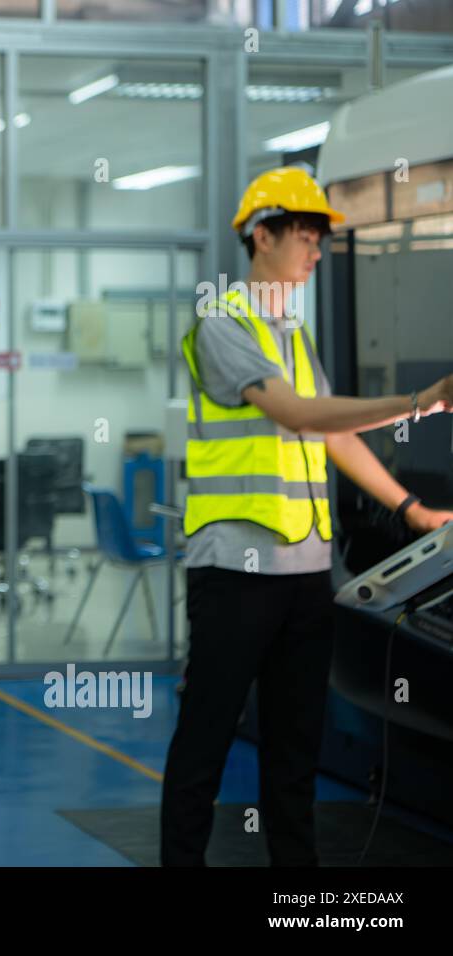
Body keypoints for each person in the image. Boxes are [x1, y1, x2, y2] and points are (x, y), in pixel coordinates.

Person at [160, 166, 453, 866]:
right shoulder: (222, 326)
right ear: (261, 237)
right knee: (205, 740)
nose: (317, 252)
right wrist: (421, 401)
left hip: (304, 574)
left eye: (321, 238)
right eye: (305, 235)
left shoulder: (291, 334)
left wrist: (410, 509)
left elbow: (331, 434)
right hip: (235, 572)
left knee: (296, 754)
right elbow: (295, 413)